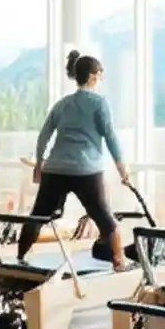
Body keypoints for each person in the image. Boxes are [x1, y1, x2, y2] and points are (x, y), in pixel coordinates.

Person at [18, 51, 130, 271]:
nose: (100, 81)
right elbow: (111, 137)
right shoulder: (99, 104)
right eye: (99, 77)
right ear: (92, 77)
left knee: (38, 216)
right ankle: (120, 263)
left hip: (55, 170)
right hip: (86, 170)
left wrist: (39, 165)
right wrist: (122, 169)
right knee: (106, 219)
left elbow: (43, 136)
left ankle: (20, 257)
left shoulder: (62, 104)